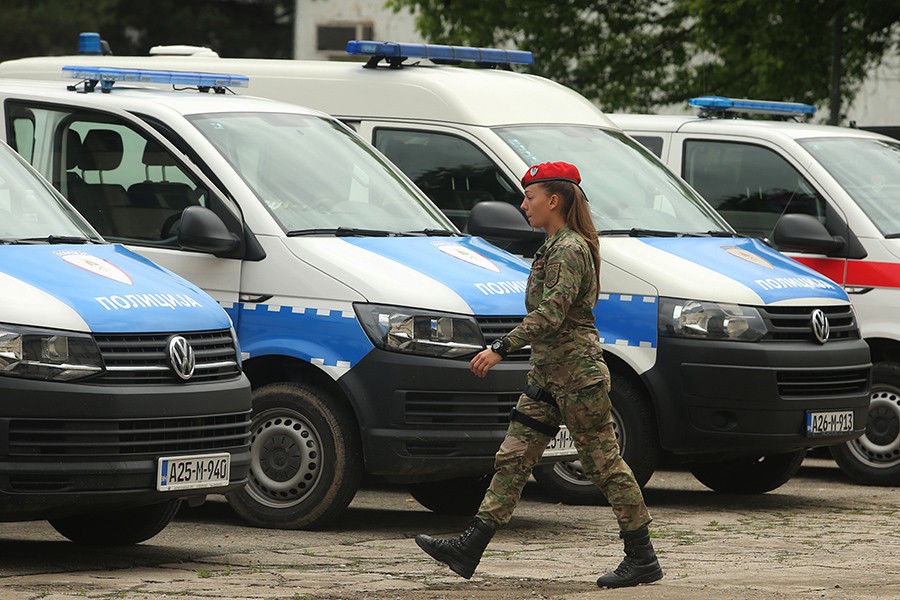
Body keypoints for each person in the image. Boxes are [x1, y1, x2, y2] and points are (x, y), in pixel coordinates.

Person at [414, 161, 664, 588]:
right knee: (514, 457)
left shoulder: (569, 248)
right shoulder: (552, 246)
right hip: (550, 375)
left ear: (554, 200)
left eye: (530, 197)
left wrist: (499, 347)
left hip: (578, 375)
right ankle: (469, 548)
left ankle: (642, 557)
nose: (523, 204)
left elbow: (551, 314)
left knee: (603, 465)